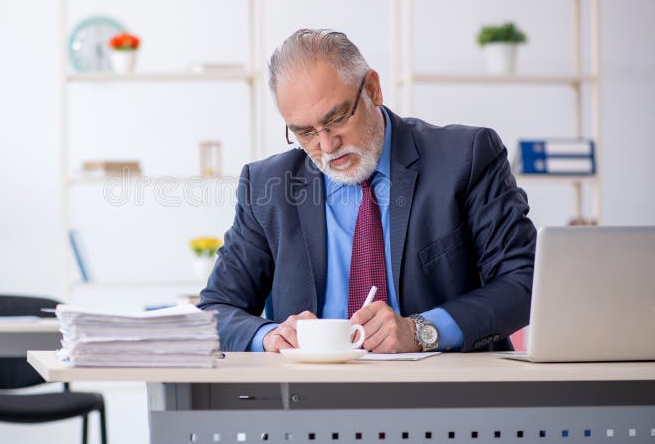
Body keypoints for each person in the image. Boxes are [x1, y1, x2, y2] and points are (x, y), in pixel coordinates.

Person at [198, 29, 536, 353]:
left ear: (373, 89)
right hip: (312, 399)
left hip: (444, 394)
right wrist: (269, 336)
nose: (327, 145)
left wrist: (421, 331)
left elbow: (524, 281)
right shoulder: (267, 187)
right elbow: (216, 309)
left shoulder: (466, 157)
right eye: (304, 133)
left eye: (338, 118)